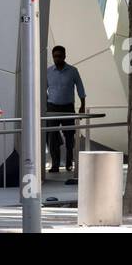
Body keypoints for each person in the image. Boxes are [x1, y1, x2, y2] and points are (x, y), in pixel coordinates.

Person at [45, 45, 86, 174]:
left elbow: (80, 88)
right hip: (52, 107)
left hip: (68, 107)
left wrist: (82, 106)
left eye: (59, 56)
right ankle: (55, 164)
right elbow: (42, 88)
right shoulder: (48, 71)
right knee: (52, 136)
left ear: (64, 56)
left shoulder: (73, 71)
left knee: (69, 136)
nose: (57, 58)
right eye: (55, 56)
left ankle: (69, 162)